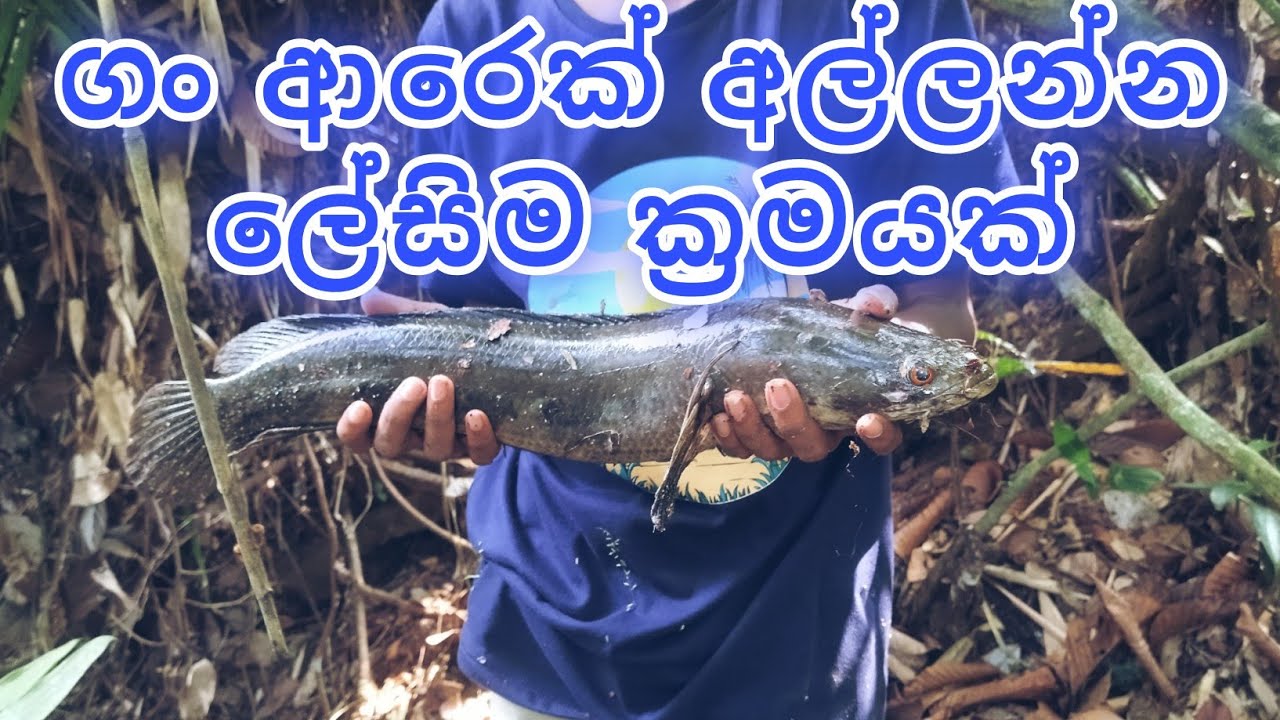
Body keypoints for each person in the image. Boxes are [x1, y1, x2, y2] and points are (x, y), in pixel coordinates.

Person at [336, 0, 1017, 717]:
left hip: (798, 629)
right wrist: (417, 399)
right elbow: (471, 328)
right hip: (552, 621)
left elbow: (945, 318)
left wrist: (897, 363)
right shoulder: (476, 29)